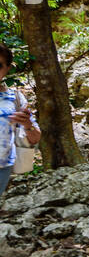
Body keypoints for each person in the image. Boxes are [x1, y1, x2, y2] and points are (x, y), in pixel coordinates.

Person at [0, 43, 41, 197]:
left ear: (7, 68)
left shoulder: (15, 98)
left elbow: (35, 138)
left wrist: (27, 124)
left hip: (2, 166)